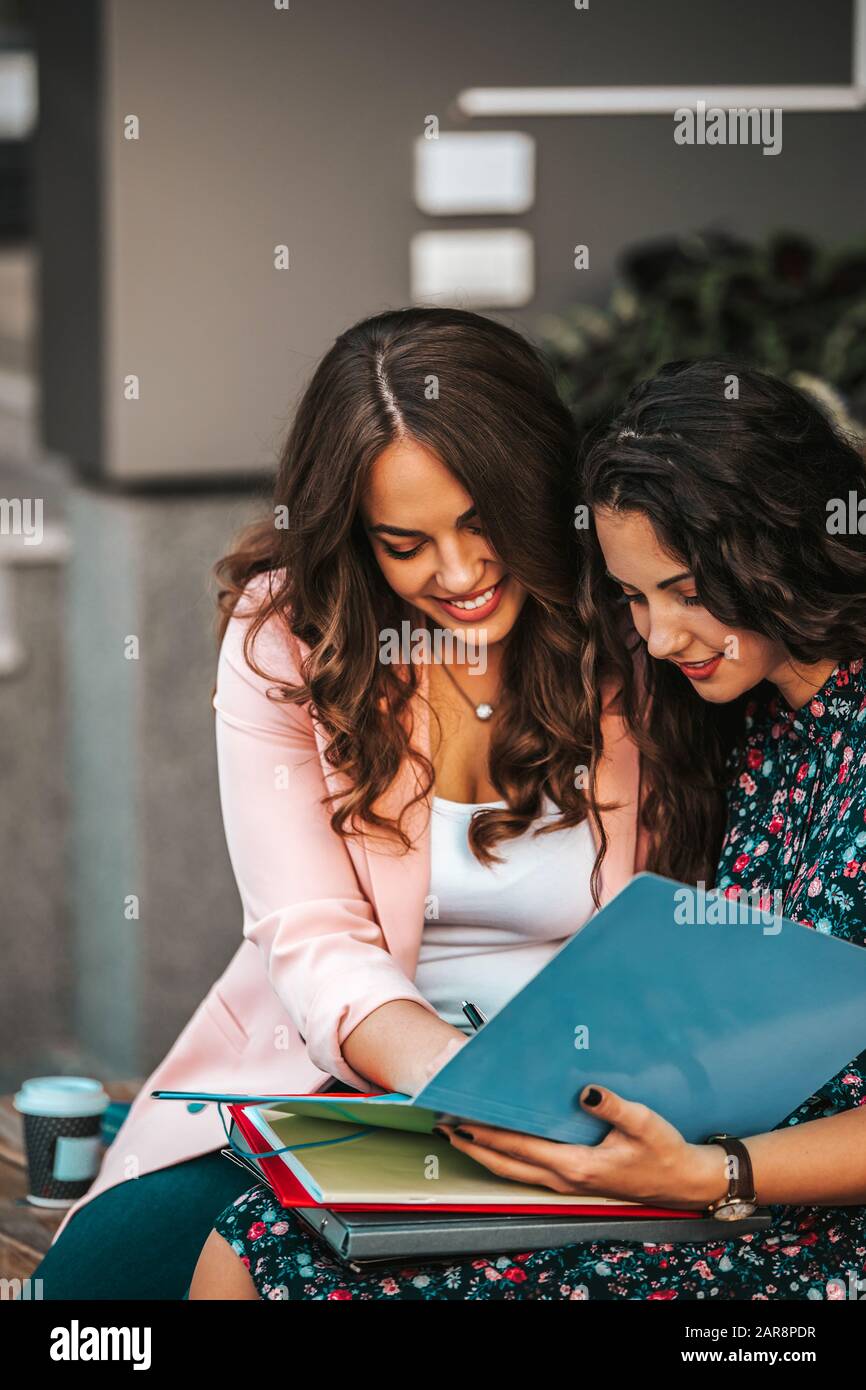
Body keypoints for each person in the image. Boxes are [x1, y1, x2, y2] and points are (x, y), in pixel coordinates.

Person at [192, 359, 866, 1300]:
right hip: (668, 1142)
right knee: (257, 1240)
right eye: (635, 598)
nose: (661, 639)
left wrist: (715, 1173)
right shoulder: (746, 713)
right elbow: (313, 934)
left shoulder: (714, 692)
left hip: (761, 1186)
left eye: (683, 590)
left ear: (781, 546)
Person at [32, 306, 646, 1300]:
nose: (458, 574)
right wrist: (463, 1082)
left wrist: (558, 1097)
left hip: (594, 1099)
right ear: (353, 535)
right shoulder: (288, 636)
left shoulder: (629, 622)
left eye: (482, 522)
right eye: (406, 542)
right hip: (341, 1090)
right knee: (90, 1298)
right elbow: (312, 938)